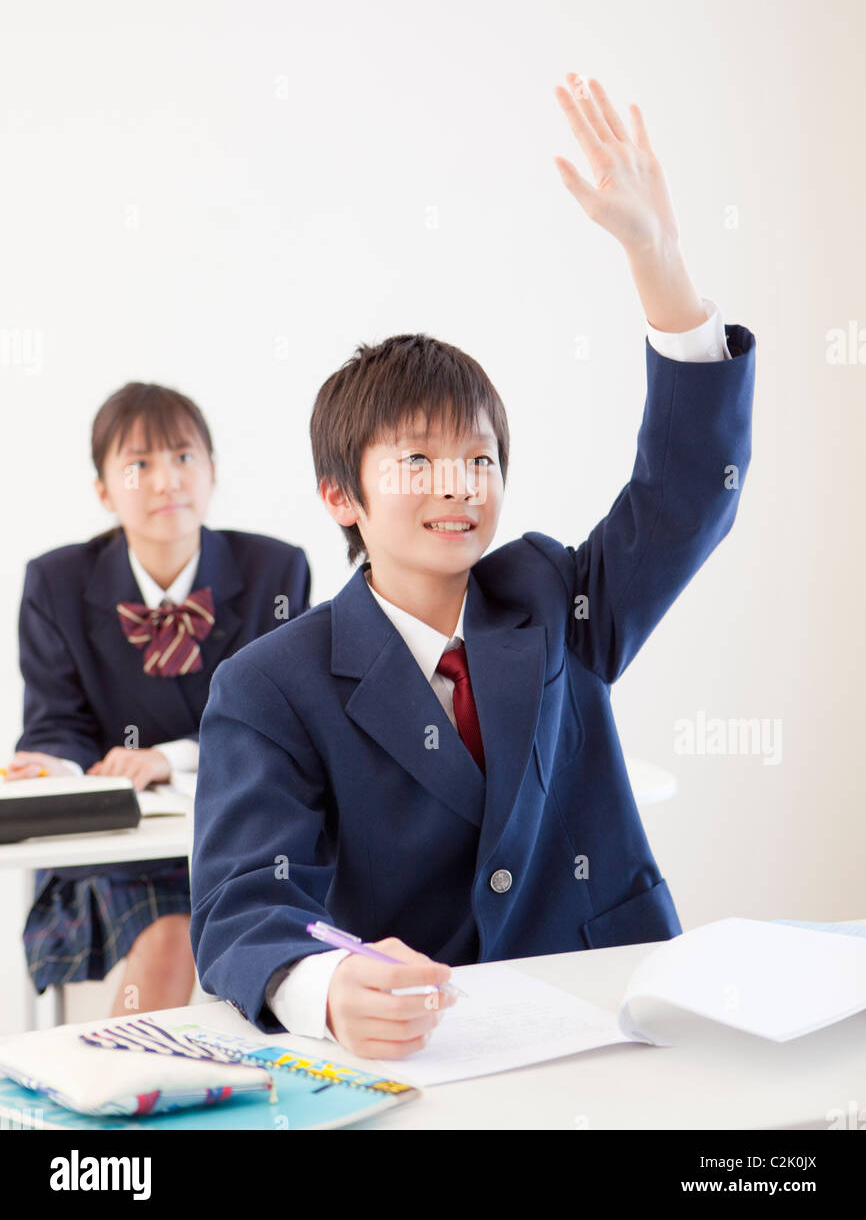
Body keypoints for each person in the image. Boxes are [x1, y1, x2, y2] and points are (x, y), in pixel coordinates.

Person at [190, 73, 756, 1060]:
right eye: (416, 459)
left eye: (478, 458)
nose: (457, 484)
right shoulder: (266, 686)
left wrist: (653, 256)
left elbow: (682, 491)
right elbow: (245, 909)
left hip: (615, 1021)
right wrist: (325, 986)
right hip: (426, 1052)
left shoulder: (550, 598)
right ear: (340, 496)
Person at [7, 382, 311, 1015]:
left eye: (182, 457)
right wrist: (50, 767)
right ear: (103, 490)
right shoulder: (56, 582)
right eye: (138, 464)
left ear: (212, 471)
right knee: (174, 936)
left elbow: (285, 723)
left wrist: (169, 758)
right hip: (118, 849)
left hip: (241, 831)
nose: (166, 481)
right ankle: (121, 1100)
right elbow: (56, 724)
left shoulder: (276, 572)